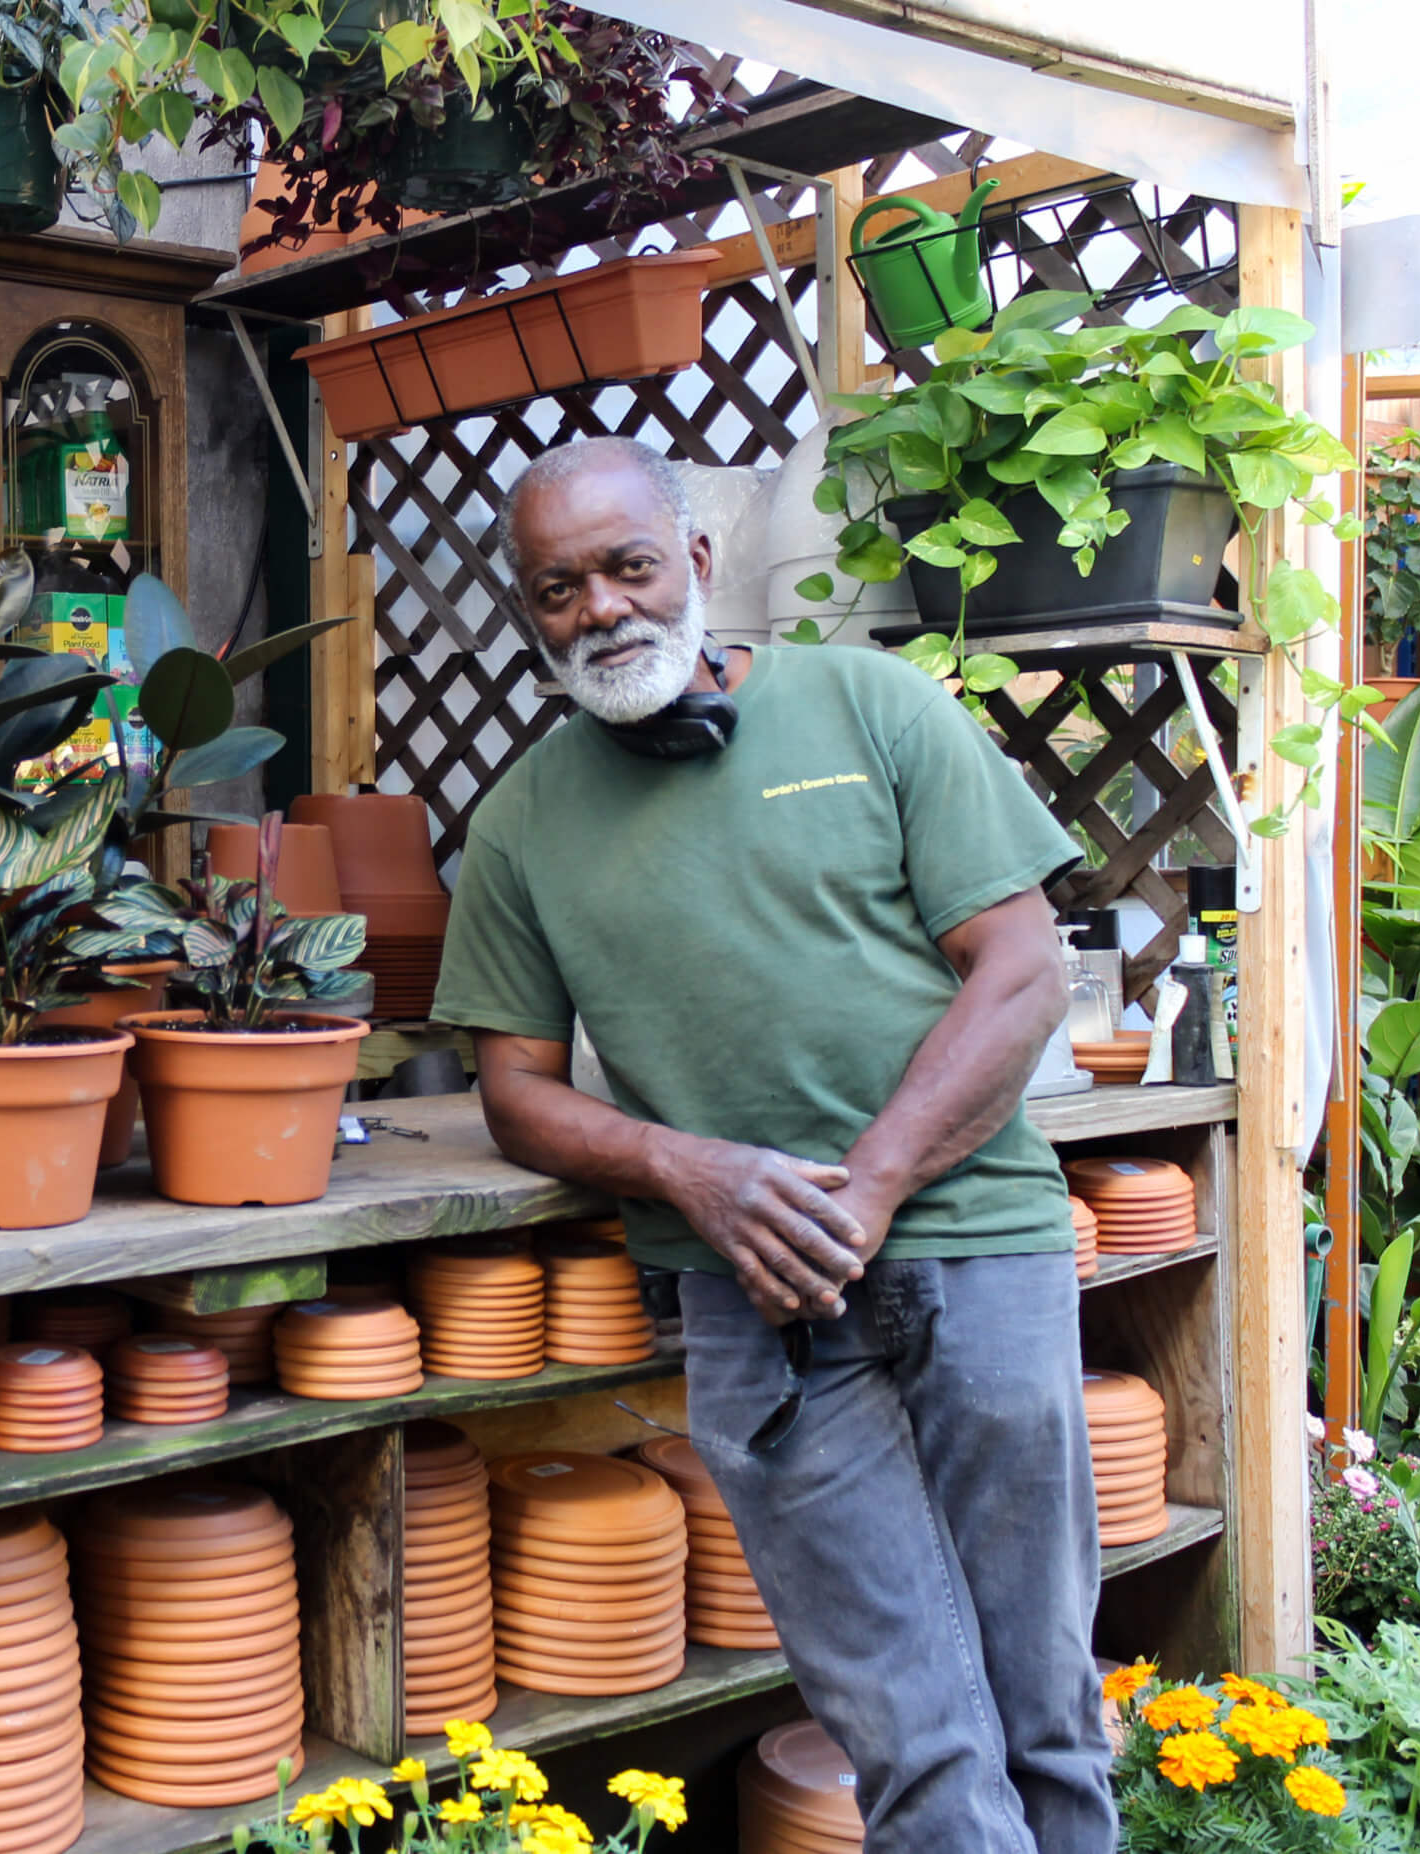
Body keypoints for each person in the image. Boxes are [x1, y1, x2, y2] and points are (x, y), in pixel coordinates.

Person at [431, 436, 1112, 1854]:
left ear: (694, 564)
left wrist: (867, 1188)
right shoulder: (518, 827)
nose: (601, 608)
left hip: (976, 1247)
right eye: (558, 587)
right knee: (910, 1734)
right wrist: (696, 1170)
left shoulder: (870, 702)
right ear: (526, 613)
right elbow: (514, 1090)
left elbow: (1023, 969)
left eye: (627, 565)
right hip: (754, 1304)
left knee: (1044, 1706)